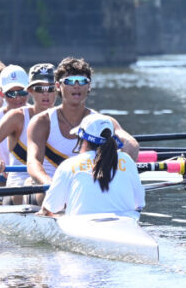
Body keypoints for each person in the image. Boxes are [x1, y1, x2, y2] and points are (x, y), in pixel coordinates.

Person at [26, 57, 139, 191]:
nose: (77, 85)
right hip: (52, 187)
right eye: (70, 81)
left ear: (89, 85)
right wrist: (49, 183)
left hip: (89, 187)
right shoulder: (42, 122)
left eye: (82, 81)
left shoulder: (102, 122)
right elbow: (33, 162)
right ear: (58, 86)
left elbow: (131, 145)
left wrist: (112, 176)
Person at [40, 113, 145, 216]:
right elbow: (139, 204)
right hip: (126, 226)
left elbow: (49, 209)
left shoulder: (68, 165)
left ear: (84, 140)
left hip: (82, 229)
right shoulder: (127, 161)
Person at [0, 63, 57, 189]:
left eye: (50, 89)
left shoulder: (64, 118)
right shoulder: (17, 117)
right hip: (20, 187)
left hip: (54, 185)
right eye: (40, 89)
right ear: (31, 90)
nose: (45, 94)